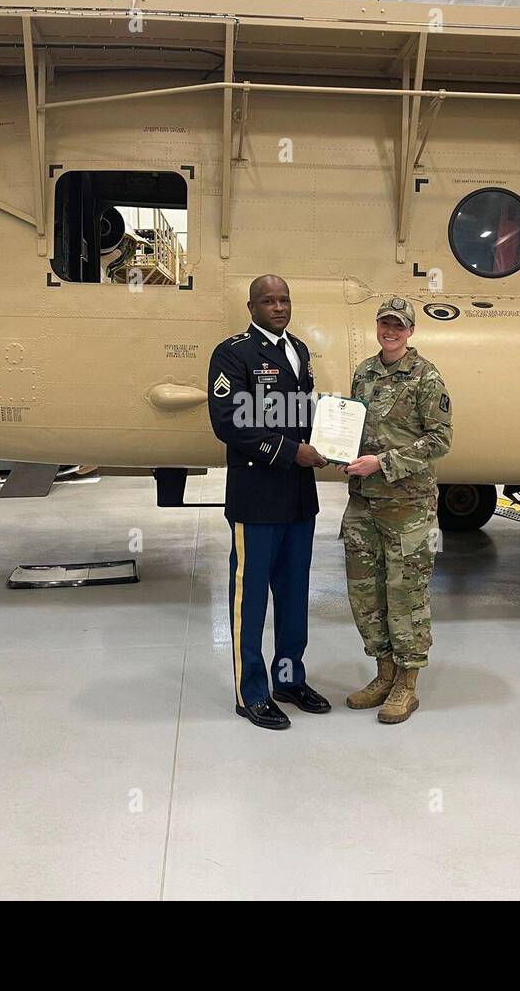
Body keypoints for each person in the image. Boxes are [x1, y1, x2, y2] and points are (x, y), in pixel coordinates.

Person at [207, 275, 331, 730]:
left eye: (284, 300)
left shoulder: (298, 349)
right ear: (251, 306)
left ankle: (288, 678)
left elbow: (301, 413)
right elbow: (230, 422)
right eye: (268, 301)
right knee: (251, 597)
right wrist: (291, 451)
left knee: (295, 594)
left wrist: (330, 434)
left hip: (299, 497)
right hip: (257, 497)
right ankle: (252, 692)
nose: (278, 307)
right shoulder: (233, 353)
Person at [342, 297, 453, 724]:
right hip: (363, 502)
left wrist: (383, 463)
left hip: (408, 506)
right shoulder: (364, 372)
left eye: (398, 326)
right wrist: (339, 451)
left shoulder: (426, 377)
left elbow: (439, 441)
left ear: (410, 332)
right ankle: (383, 673)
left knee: (404, 593)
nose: (390, 331)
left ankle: (407, 684)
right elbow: (353, 427)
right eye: (384, 324)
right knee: (365, 593)